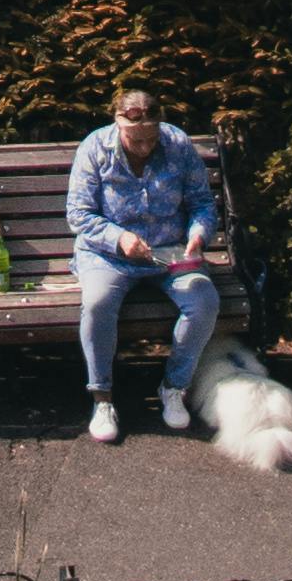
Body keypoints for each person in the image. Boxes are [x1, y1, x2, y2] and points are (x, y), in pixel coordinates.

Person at [67, 83, 228, 437]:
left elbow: (201, 202)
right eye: (134, 139)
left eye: (150, 138)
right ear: (118, 124)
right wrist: (119, 238)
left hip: (168, 253)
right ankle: (103, 398)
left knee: (204, 302)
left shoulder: (178, 145)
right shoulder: (95, 148)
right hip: (107, 255)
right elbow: (78, 214)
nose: (144, 146)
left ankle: (173, 388)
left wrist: (198, 234)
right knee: (96, 304)